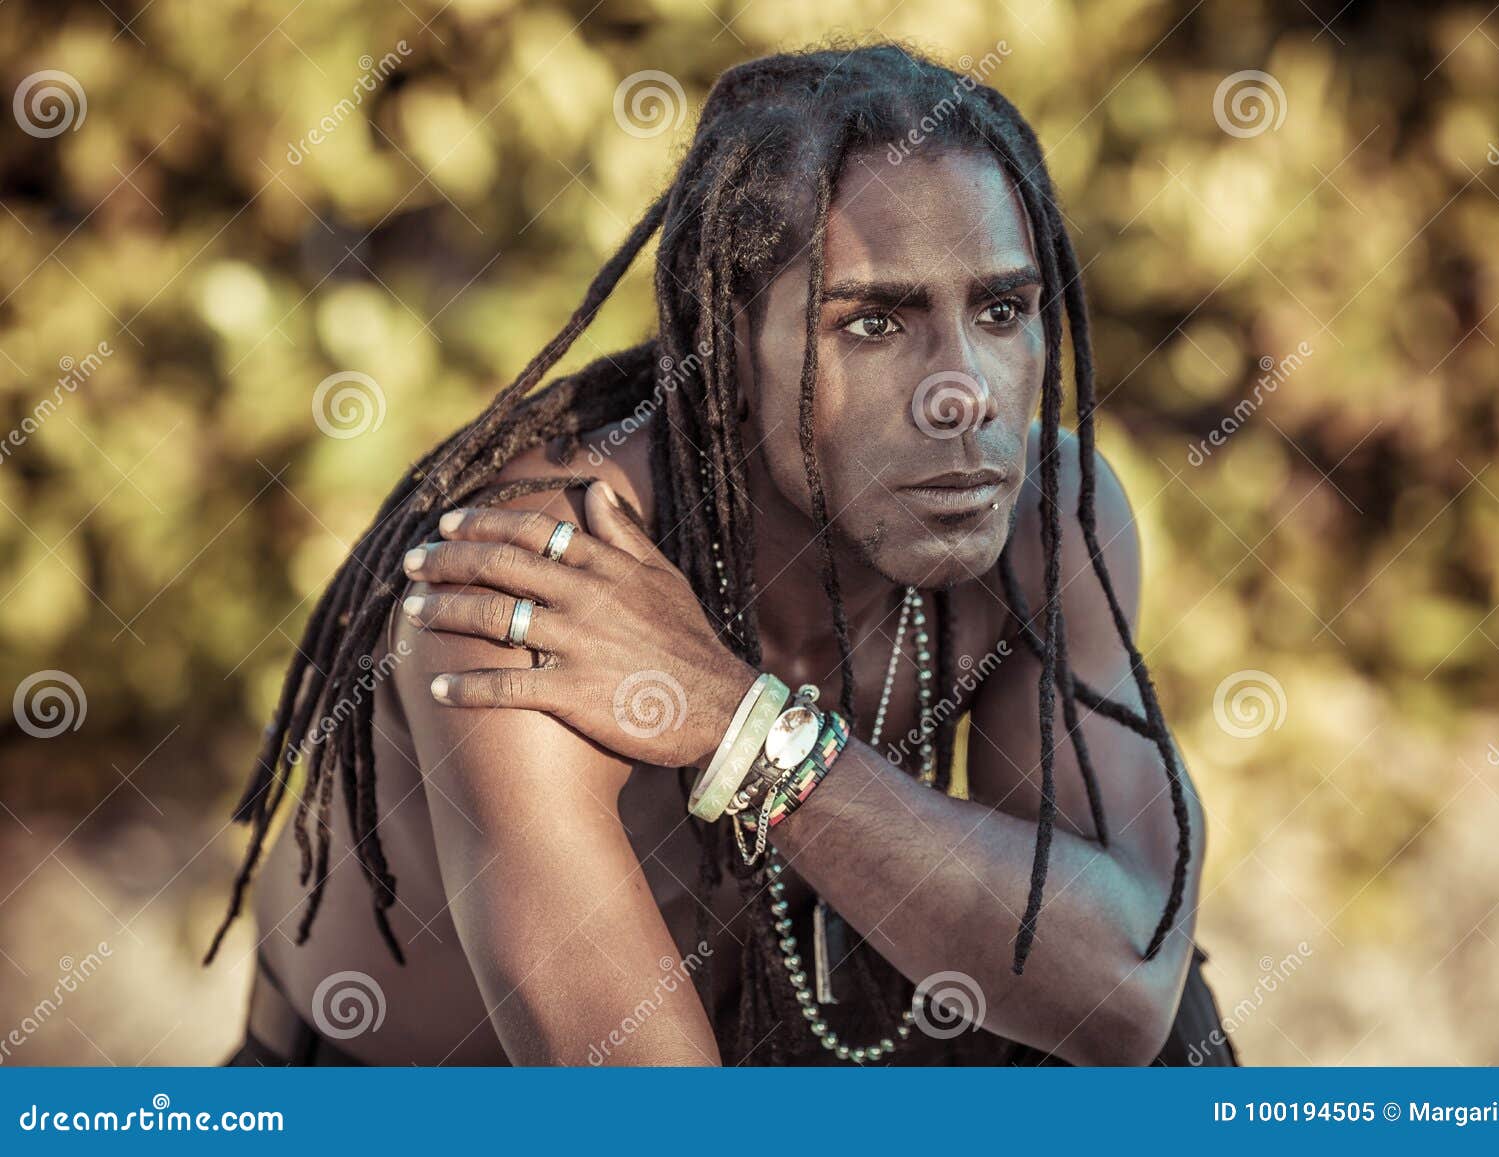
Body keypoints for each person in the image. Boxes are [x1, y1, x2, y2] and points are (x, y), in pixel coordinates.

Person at [209, 42, 1239, 1068]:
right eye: (876, 322)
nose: (962, 391)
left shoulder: (1047, 520)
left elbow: (1129, 997)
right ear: (727, 347)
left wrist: (738, 725)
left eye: (1002, 311)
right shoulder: (535, 579)